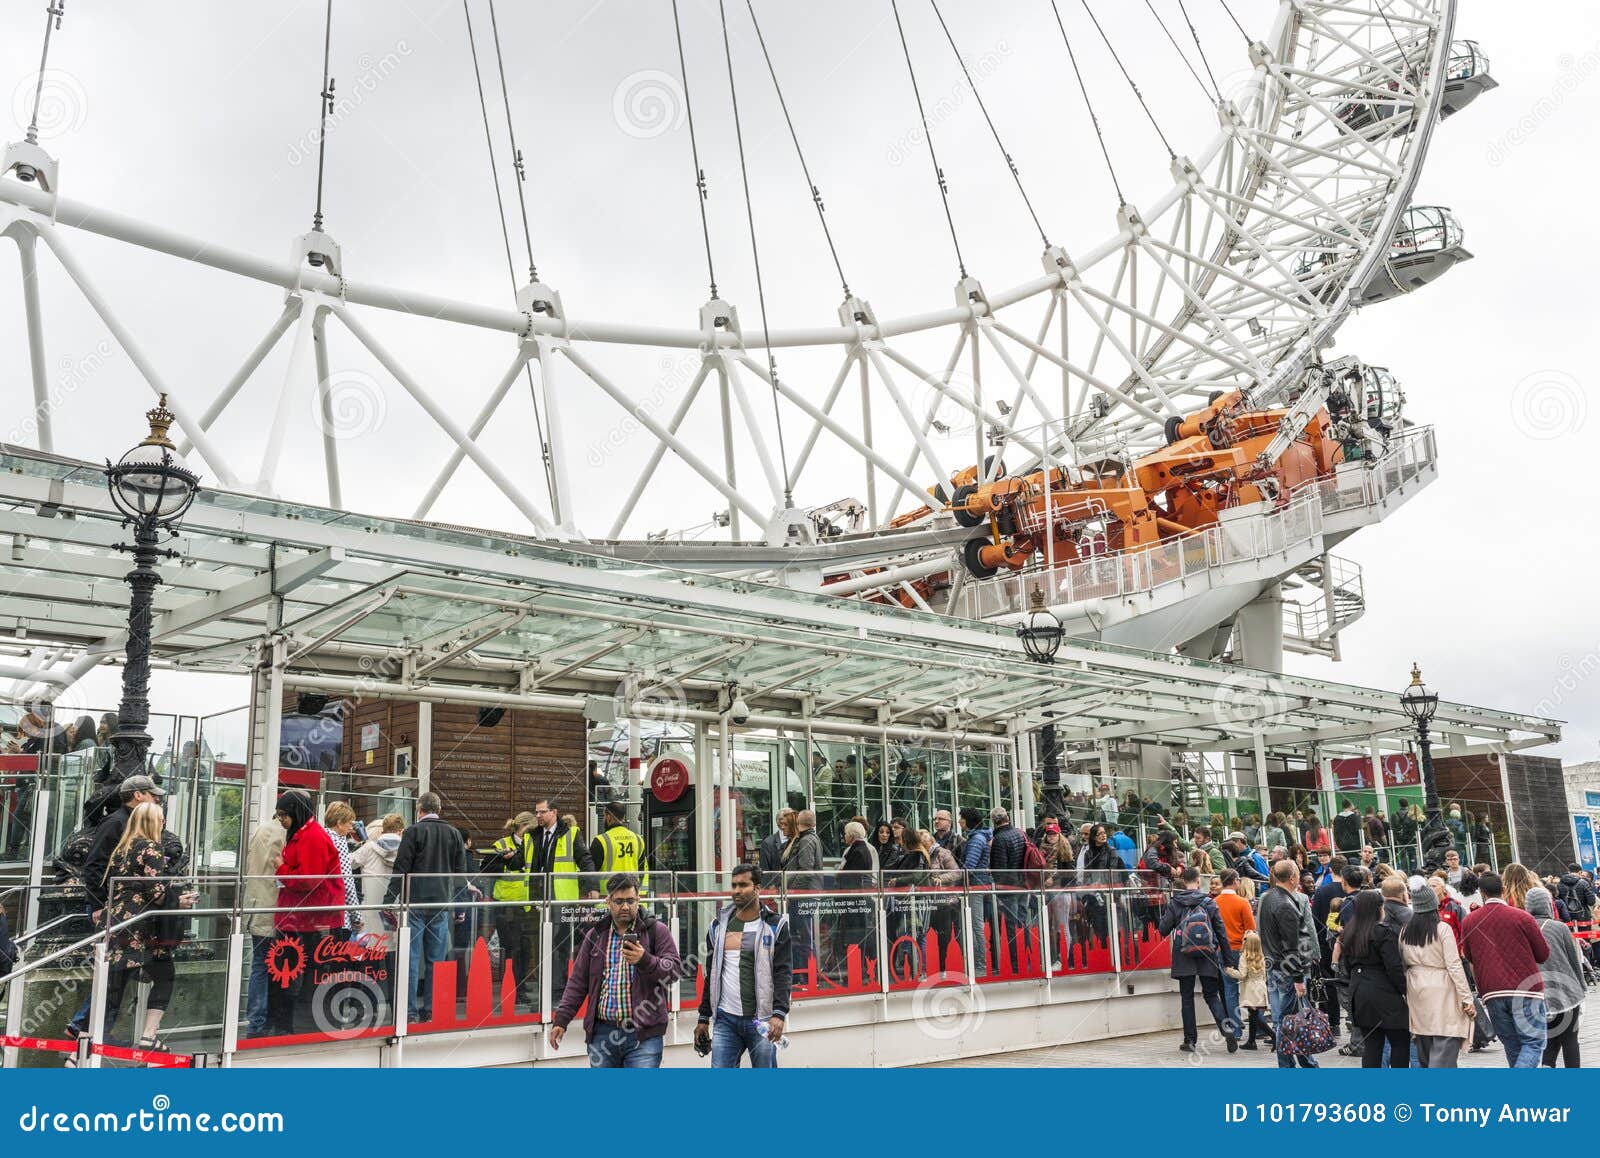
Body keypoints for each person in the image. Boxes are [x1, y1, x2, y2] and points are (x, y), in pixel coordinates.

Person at [65, 774, 166, 1038]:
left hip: (118, 908)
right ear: (137, 795)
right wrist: (98, 904)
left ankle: (95, 1027)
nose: (157, 798)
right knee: (114, 973)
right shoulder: (116, 823)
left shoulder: (128, 826)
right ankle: (88, 1026)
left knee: (117, 973)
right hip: (112, 908)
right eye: (152, 794)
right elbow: (95, 866)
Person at [548, 872, 681, 1067]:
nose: (625, 906)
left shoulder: (656, 930)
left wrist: (645, 960)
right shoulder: (595, 935)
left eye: (630, 900)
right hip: (602, 1034)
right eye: (619, 901)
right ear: (608, 901)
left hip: (643, 1035)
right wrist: (561, 1020)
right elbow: (577, 982)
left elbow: (674, 970)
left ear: (639, 900)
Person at [98, 801, 196, 1050]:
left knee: (115, 983)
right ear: (152, 822)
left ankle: (84, 1047)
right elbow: (158, 894)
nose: (163, 823)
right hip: (144, 927)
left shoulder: (122, 848)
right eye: (161, 818)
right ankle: (148, 1035)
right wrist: (179, 900)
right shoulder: (151, 848)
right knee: (165, 975)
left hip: (119, 921)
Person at [383, 791, 475, 1024]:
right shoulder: (454, 834)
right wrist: (460, 906)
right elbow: (459, 874)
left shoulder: (413, 832)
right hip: (441, 905)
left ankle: (410, 1012)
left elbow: (401, 868)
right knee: (436, 960)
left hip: (415, 903)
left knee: (412, 958)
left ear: (419, 809)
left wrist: (388, 899)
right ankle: (432, 1010)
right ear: (439, 810)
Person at [694, 864, 792, 1067]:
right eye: (733, 885)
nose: (736, 890)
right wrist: (703, 1017)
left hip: (763, 1020)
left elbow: (783, 973)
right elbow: (711, 974)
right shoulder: (717, 927)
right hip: (725, 1020)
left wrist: (779, 1013)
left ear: (757, 888)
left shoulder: (776, 925)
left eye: (743, 885)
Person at [1460, 871, 1550, 1068]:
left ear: (1482, 893)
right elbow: (1543, 954)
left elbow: (1467, 955)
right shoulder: (1522, 917)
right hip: (1526, 988)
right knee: (1533, 1042)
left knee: (1512, 1046)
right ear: (1503, 890)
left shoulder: (1469, 921)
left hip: (1492, 991)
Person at [1158, 866, 1237, 1054]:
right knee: (1211, 996)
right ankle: (1226, 1029)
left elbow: (1163, 930)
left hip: (1183, 955)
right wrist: (1228, 961)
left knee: (1187, 998)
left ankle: (1190, 1041)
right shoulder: (1209, 902)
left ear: (1183, 881)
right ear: (1199, 881)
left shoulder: (1176, 902)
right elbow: (1221, 933)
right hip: (1207, 955)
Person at [1399, 881, 1473, 1068]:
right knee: (1446, 1038)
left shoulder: (1405, 931)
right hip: (1442, 987)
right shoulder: (1442, 929)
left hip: (1415, 987)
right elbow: (1454, 965)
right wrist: (1467, 997)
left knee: (1424, 1040)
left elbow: (1403, 962)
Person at [1258, 858, 1320, 1068]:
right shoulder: (1285, 905)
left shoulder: (1268, 898)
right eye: (1297, 873)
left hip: (1275, 967)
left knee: (1288, 1019)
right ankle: (1290, 1064)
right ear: (1293, 878)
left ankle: (1304, 1061)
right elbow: (1292, 947)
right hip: (1286, 970)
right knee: (1287, 1021)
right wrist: (1298, 978)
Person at [1340, 889, 1409, 1068]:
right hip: (1384, 992)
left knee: (1372, 1045)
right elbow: (1393, 967)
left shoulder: (1348, 932)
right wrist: (1405, 990)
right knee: (1400, 1041)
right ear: (1378, 908)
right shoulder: (1383, 932)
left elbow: (1346, 966)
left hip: (1359, 993)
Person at [241, 804, 290, 1038]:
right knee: (274, 965)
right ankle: (266, 1021)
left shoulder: (261, 830)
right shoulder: (282, 834)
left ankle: (256, 1022)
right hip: (273, 906)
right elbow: (280, 871)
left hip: (255, 904)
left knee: (260, 964)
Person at [1523, 886, 1584, 1068]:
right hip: (1566, 992)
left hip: (1537, 993)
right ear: (1547, 904)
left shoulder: (1522, 928)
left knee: (1549, 1040)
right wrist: (1581, 986)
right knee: (1570, 1040)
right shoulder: (1559, 927)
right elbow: (1574, 959)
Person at [483, 811, 537, 1004]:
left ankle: (521, 986)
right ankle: (515, 990)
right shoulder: (501, 845)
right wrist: (507, 862)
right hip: (505, 906)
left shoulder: (532, 845)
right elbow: (486, 869)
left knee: (526, 949)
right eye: (529, 830)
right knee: (513, 949)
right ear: (521, 828)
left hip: (526, 906)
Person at [1214, 868, 1255, 1039]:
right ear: (1236, 881)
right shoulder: (1242, 902)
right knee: (1251, 987)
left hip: (1222, 950)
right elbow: (1251, 929)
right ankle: (1257, 1027)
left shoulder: (1214, 902)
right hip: (1241, 949)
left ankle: (1236, 1030)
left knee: (1229, 990)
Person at [1225, 931, 1272, 1050]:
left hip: (1251, 990)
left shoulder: (1244, 957)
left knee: (1256, 1017)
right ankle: (1251, 1042)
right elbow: (1264, 976)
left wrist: (1229, 971)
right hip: (1261, 988)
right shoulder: (1261, 956)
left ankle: (1274, 1036)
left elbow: (1242, 974)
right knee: (1253, 1016)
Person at [351, 813, 404, 911]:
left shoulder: (368, 848)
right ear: (401, 831)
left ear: (383, 831)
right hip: (394, 908)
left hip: (369, 908)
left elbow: (346, 863)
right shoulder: (406, 851)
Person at [324, 801, 362, 933]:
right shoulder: (339, 842)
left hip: (319, 912)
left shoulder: (321, 837)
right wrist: (356, 915)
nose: (352, 828)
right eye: (350, 823)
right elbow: (346, 881)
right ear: (339, 823)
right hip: (339, 915)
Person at [758, 808, 796, 874]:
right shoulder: (768, 843)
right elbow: (765, 870)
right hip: (776, 883)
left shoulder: (799, 839)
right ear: (780, 824)